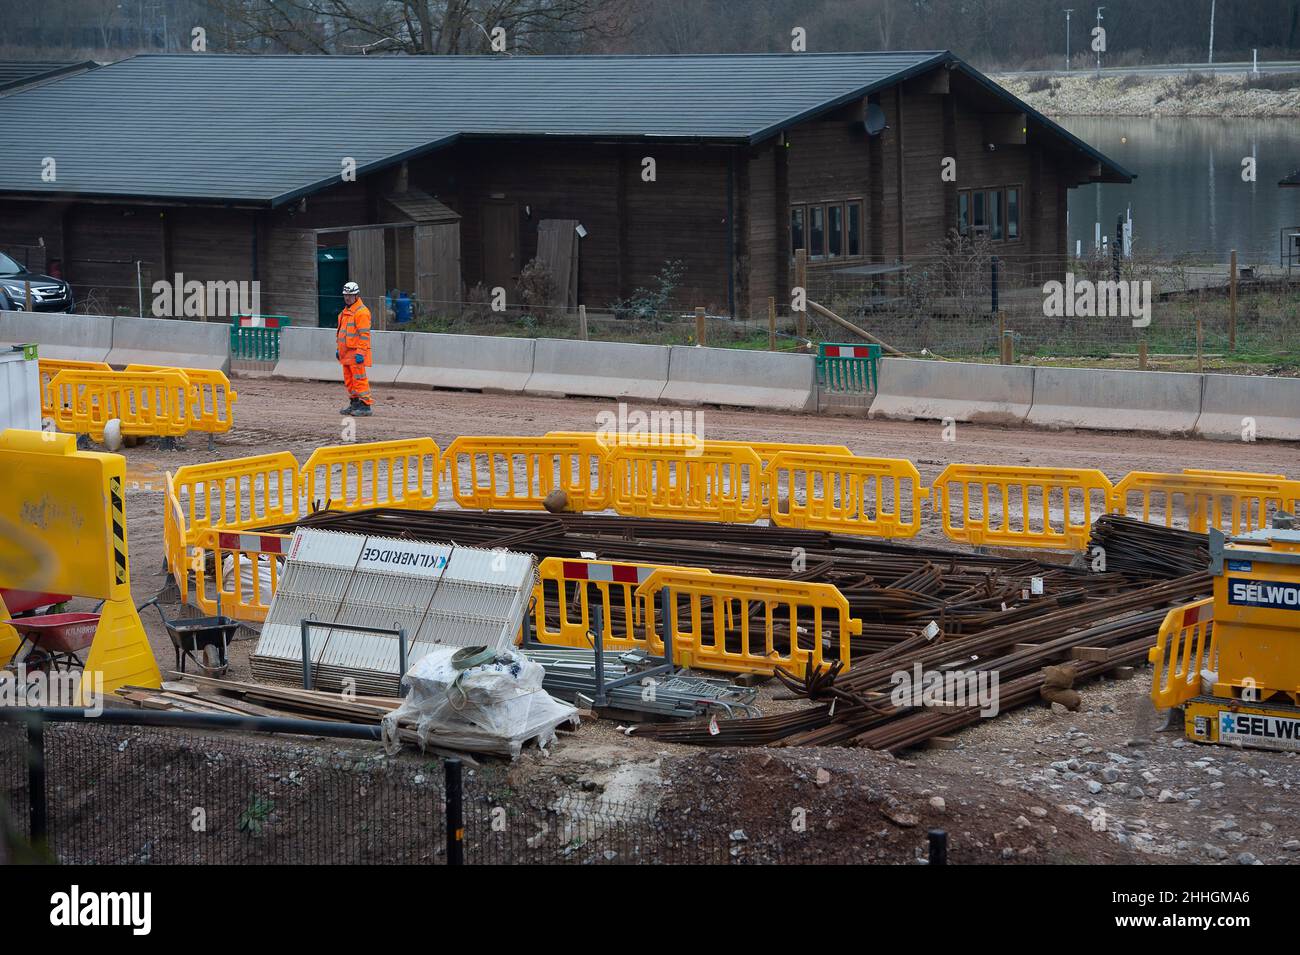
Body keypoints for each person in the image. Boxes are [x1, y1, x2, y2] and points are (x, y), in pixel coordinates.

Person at [336, 281, 373, 416]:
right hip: (345, 354)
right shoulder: (345, 312)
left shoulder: (361, 312)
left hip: (356, 353)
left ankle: (365, 405)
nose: (347, 298)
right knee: (350, 381)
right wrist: (338, 349)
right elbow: (342, 333)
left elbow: (364, 335)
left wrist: (361, 353)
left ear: (356, 296)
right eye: (345, 295)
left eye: (350, 295)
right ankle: (355, 403)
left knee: (359, 379)